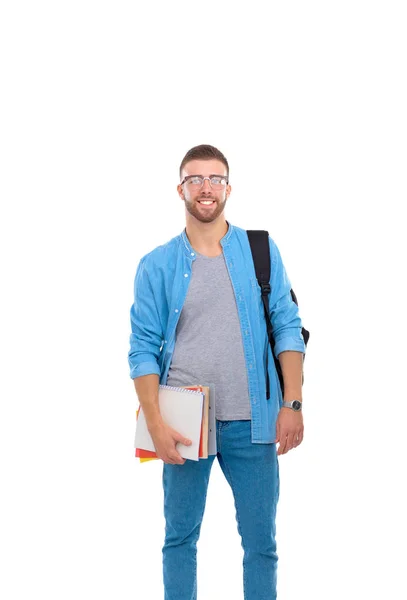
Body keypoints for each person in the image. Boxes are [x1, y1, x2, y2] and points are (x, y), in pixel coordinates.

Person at [128, 144, 306, 600]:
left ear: (228, 188)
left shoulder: (260, 250)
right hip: (185, 423)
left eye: (215, 179)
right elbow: (143, 350)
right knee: (180, 540)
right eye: (195, 179)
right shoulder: (156, 265)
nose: (206, 188)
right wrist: (154, 422)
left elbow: (287, 326)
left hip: (255, 420)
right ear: (180, 189)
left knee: (261, 545)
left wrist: (293, 402)